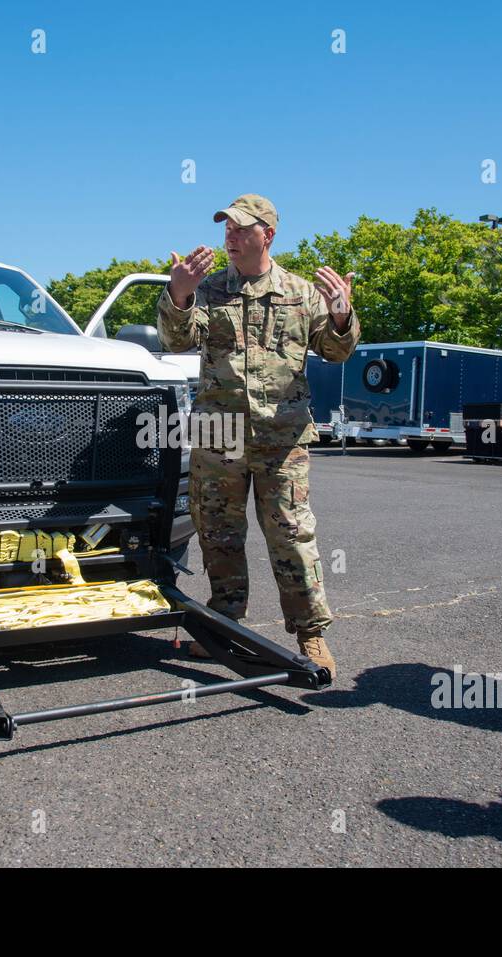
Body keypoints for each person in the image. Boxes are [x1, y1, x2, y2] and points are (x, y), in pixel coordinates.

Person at [157, 194, 359, 679]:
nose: (230, 234)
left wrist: (339, 314)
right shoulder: (209, 289)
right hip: (218, 434)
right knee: (219, 535)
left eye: (241, 227)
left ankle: (311, 635)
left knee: (291, 534)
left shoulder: (300, 292)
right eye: (226, 226)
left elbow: (336, 352)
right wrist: (179, 294)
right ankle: (225, 621)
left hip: (281, 437)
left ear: (267, 234)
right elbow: (175, 341)